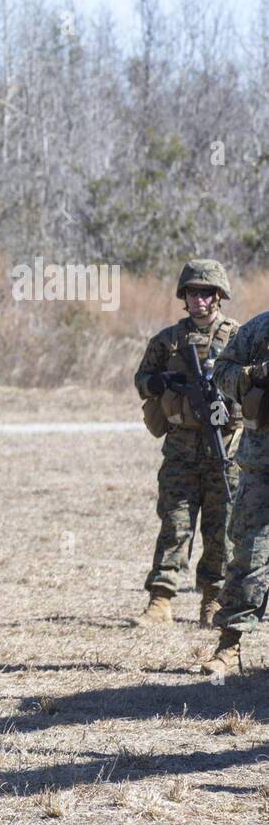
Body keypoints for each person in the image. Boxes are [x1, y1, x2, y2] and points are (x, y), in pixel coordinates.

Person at [133, 260, 240, 627]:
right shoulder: (168, 340)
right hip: (180, 450)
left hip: (224, 450)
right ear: (184, 296)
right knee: (175, 525)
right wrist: (161, 383)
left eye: (207, 292)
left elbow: (255, 382)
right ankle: (160, 600)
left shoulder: (239, 338)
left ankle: (213, 599)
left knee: (220, 529)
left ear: (219, 296)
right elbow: (141, 380)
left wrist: (229, 395)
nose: (199, 299)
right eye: (193, 292)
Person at [198, 299, 269, 678]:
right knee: (248, 555)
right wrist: (256, 375)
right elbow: (222, 371)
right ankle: (229, 646)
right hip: (262, 467)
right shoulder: (259, 329)